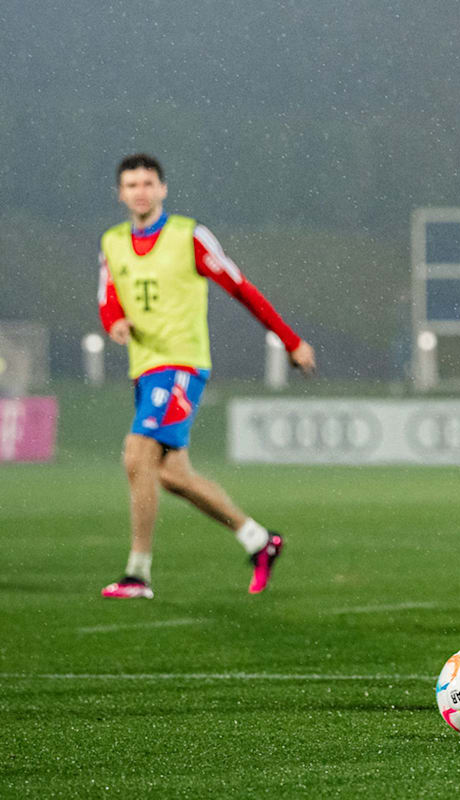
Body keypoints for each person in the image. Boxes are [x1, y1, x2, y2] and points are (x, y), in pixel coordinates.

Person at [96, 153, 314, 599]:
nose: (141, 191)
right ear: (120, 193)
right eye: (132, 184)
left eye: (148, 183)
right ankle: (258, 539)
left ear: (163, 190)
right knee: (172, 475)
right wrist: (113, 321)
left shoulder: (188, 236)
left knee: (137, 456)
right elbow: (109, 294)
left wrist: (290, 340)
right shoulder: (112, 243)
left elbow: (240, 286)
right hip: (144, 367)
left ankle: (137, 574)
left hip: (180, 364)